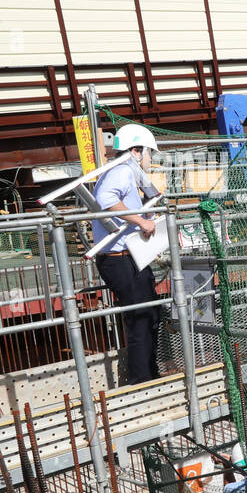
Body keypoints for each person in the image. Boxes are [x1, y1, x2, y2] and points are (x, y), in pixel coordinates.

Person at [92, 123, 163, 385]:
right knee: (141, 316)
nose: (149, 159)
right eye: (148, 153)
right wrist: (141, 222)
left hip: (129, 256)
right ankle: (141, 379)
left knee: (150, 313)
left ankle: (149, 373)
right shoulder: (121, 171)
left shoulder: (125, 173)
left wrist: (144, 218)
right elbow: (106, 198)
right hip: (118, 259)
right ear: (135, 150)